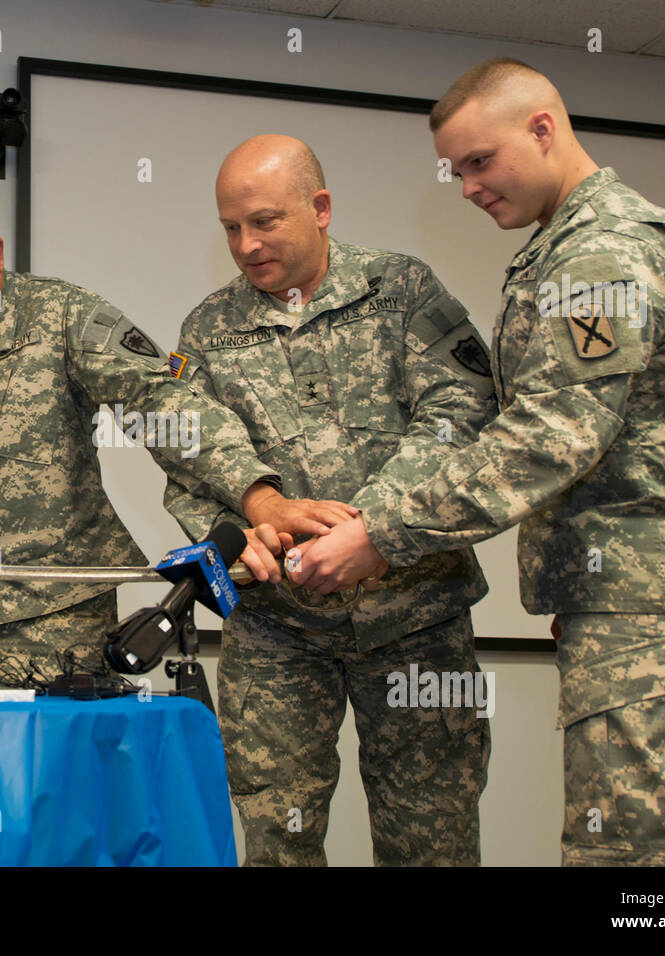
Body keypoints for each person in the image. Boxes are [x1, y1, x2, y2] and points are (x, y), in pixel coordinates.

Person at [295, 59, 665, 866]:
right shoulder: (566, 248)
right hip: (641, 600)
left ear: (543, 129)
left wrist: (383, 532)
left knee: (653, 866)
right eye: (455, 171)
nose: (467, 187)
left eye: (480, 161)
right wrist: (578, 582)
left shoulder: (601, 256)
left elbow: (553, 435)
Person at [163, 135, 499, 865]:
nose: (246, 245)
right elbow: (185, 460)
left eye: (264, 221)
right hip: (277, 632)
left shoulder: (401, 289)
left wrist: (372, 526)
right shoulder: (207, 331)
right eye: (229, 228)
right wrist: (233, 530)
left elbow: (464, 409)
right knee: (277, 840)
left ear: (320, 208)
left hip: (416, 619)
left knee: (431, 840)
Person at [0, 193, 338, 686]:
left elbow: (159, 406)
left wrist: (257, 495)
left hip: (57, 615)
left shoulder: (61, 315)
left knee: (59, 760)